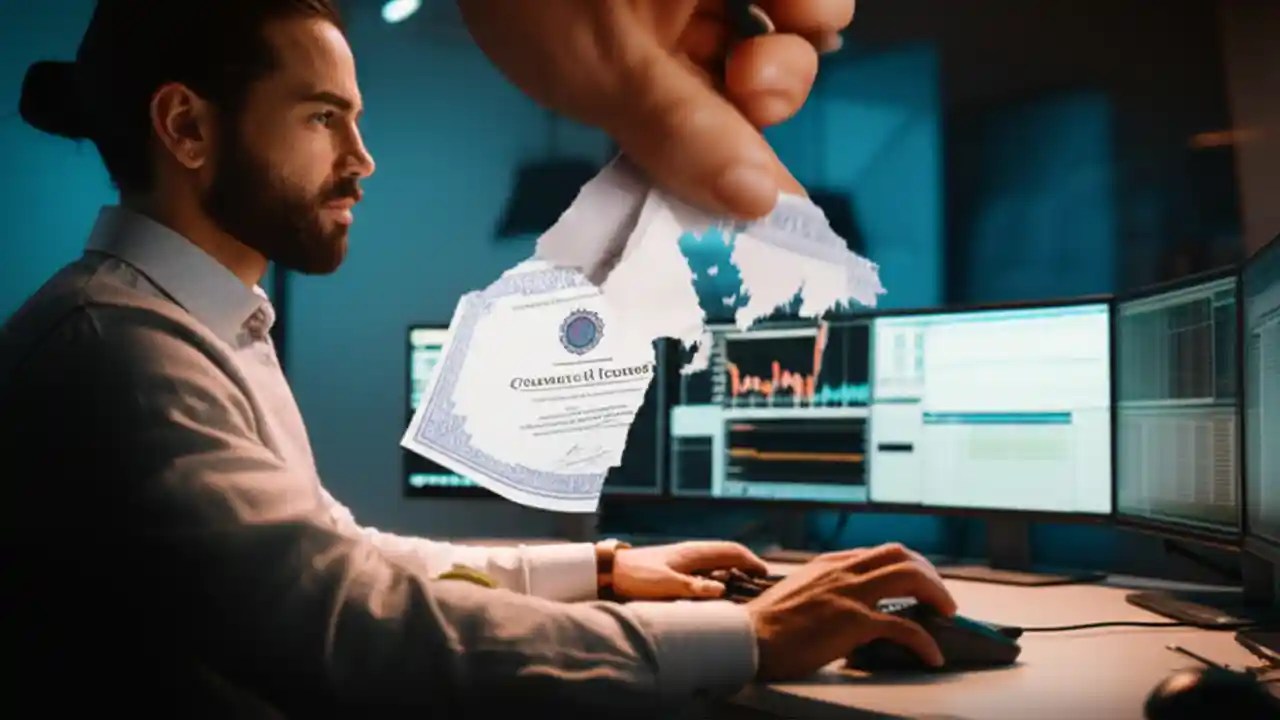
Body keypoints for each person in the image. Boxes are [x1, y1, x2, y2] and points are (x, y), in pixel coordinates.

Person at [0, 0, 956, 716]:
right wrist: (746, 633)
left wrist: (606, 572)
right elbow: (344, 624)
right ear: (188, 128)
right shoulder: (117, 350)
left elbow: (340, 557)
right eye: (324, 117)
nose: (362, 158)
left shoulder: (189, 325)